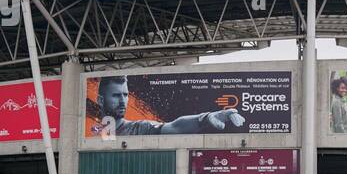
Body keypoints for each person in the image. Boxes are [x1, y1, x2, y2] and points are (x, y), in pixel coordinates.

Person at [91, 76, 246, 135]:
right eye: (116, 95)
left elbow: (175, 126)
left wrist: (206, 118)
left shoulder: (139, 128)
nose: (123, 101)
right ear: (100, 100)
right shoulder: (92, 131)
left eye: (125, 95)